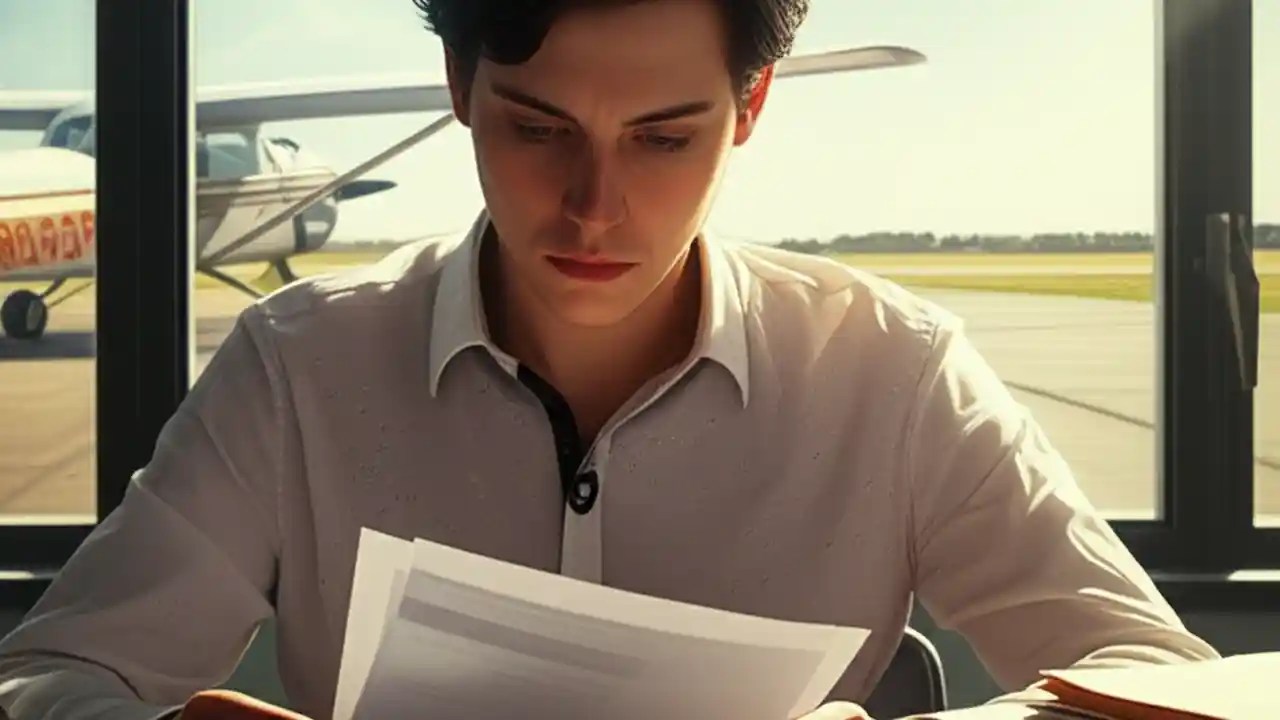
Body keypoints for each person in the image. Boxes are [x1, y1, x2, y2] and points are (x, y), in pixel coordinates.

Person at [0, 1, 1220, 718]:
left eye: (662, 137)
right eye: (538, 128)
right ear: (458, 89)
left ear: (749, 110)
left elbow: (1160, 682)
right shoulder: (296, 368)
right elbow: (52, 674)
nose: (594, 207)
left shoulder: (891, 374)